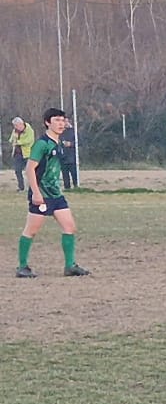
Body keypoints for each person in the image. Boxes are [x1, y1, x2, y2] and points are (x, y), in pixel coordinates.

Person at [18, 108, 87, 279]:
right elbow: (29, 168)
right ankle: (22, 267)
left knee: (70, 227)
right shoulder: (42, 144)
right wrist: (35, 193)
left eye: (63, 120)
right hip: (41, 195)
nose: (61, 123)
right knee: (31, 231)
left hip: (56, 195)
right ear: (47, 122)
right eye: (57, 120)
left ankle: (70, 266)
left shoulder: (59, 144)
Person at [8, 118, 28, 193]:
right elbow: (11, 139)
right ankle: (21, 187)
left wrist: (18, 142)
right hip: (17, 154)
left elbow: (29, 140)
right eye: (14, 125)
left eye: (16, 125)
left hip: (27, 154)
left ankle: (35, 187)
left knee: (31, 171)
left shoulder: (29, 130)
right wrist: (12, 142)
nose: (15, 127)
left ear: (20, 124)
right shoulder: (14, 131)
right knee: (17, 170)